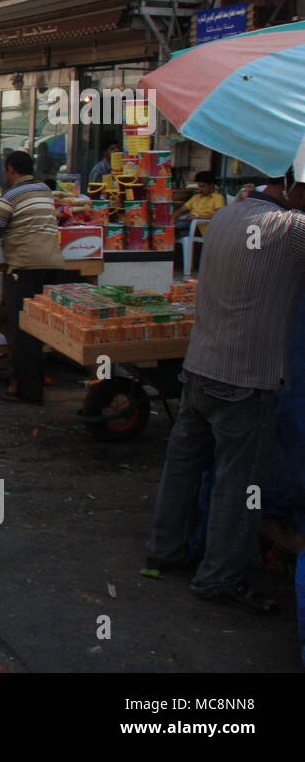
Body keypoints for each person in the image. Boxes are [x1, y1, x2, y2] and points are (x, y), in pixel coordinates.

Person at [146, 175, 305, 614]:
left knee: (183, 466)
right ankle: (219, 578)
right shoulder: (290, 229)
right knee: (241, 482)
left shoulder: (225, 215)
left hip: (200, 366)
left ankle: (165, 549)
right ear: (294, 187)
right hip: (246, 377)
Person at [0, 151, 72, 403]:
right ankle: (26, 384)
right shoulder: (45, 191)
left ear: (10, 169)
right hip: (52, 264)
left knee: (23, 330)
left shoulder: (9, 196)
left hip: (25, 265)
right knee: (40, 327)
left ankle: (29, 390)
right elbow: (22, 222)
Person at [175, 170, 225, 240]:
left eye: (203, 186)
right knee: (172, 227)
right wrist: (172, 219)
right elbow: (180, 211)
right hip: (192, 225)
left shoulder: (217, 197)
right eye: (199, 186)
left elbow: (219, 215)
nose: (200, 189)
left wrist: (197, 217)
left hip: (203, 227)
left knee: (177, 227)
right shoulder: (196, 197)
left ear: (211, 185)